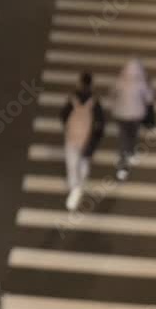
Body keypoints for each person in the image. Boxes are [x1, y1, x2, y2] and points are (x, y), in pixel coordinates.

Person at [60, 72, 105, 211]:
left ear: (80, 83)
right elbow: (101, 123)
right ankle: (80, 185)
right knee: (84, 162)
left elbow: (63, 116)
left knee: (72, 164)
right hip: (87, 138)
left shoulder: (72, 98)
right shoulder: (95, 101)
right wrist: (95, 139)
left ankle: (75, 188)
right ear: (91, 84)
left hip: (72, 137)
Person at [112, 59, 154, 181]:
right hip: (136, 116)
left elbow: (112, 93)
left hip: (122, 115)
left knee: (123, 139)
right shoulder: (140, 83)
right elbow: (149, 98)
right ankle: (130, 153)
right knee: (133, 136)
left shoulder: (120, 81)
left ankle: (123, 166)